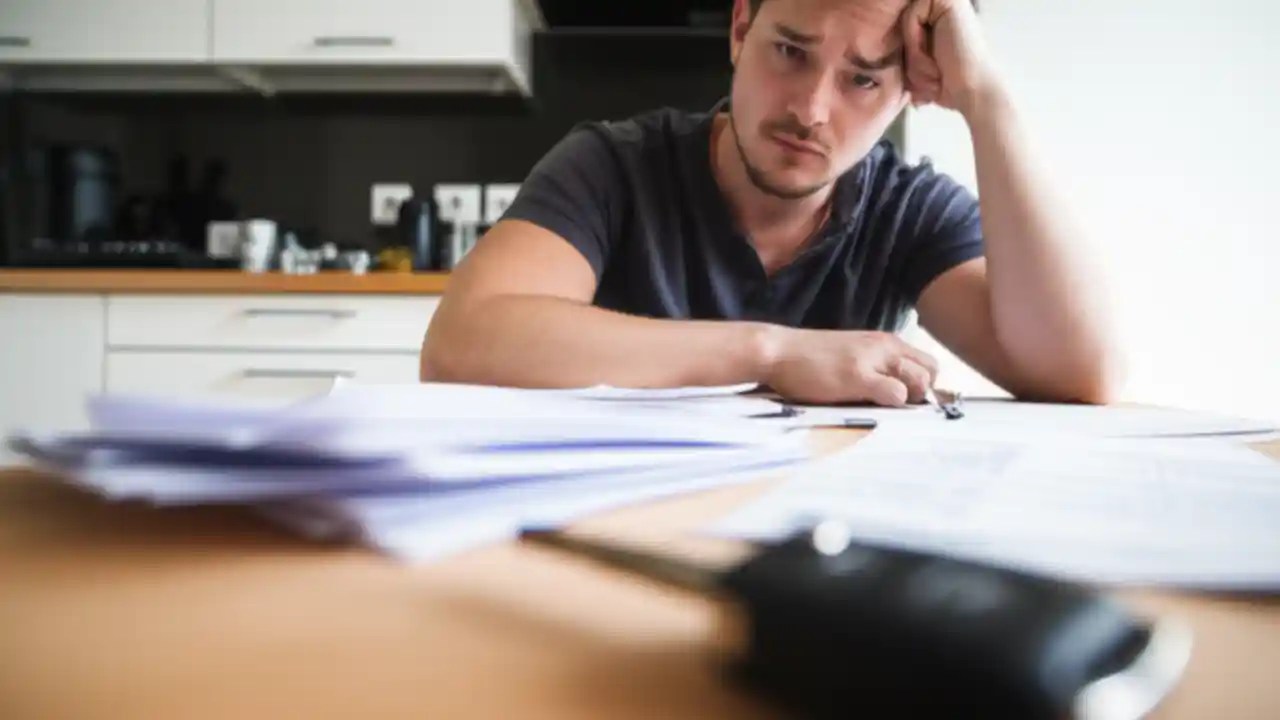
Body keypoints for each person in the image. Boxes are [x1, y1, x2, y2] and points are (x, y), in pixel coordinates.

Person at [421, 0, 1117, 407]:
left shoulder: (908, 211)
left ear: (910, 92)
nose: (812, 109)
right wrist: (771, 352)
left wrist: (986, 100)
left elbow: (1081, 374)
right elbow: (464, 344)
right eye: (789, 51)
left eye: (863, 81)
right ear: (739, 30)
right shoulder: (612, 167)